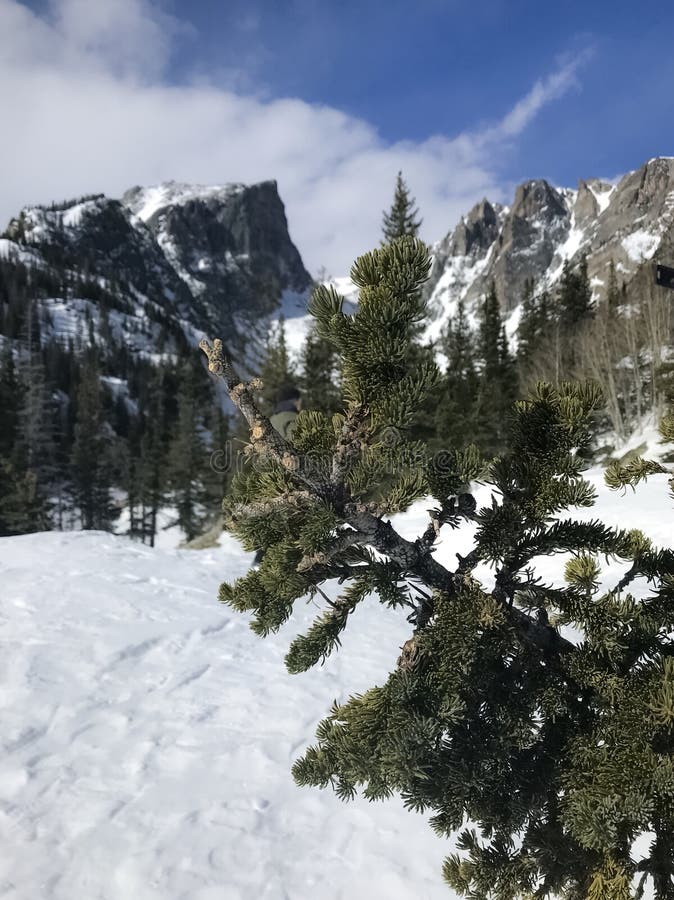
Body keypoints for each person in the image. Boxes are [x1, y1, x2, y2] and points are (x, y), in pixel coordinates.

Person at [252, 383, 302, 569]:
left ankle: (261, 557)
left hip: (266, 478)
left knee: (272, 519)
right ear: (295, 401)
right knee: (291, 520)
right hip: (290, 479)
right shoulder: (294, 420)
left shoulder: (269, 421)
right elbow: (299, 447)